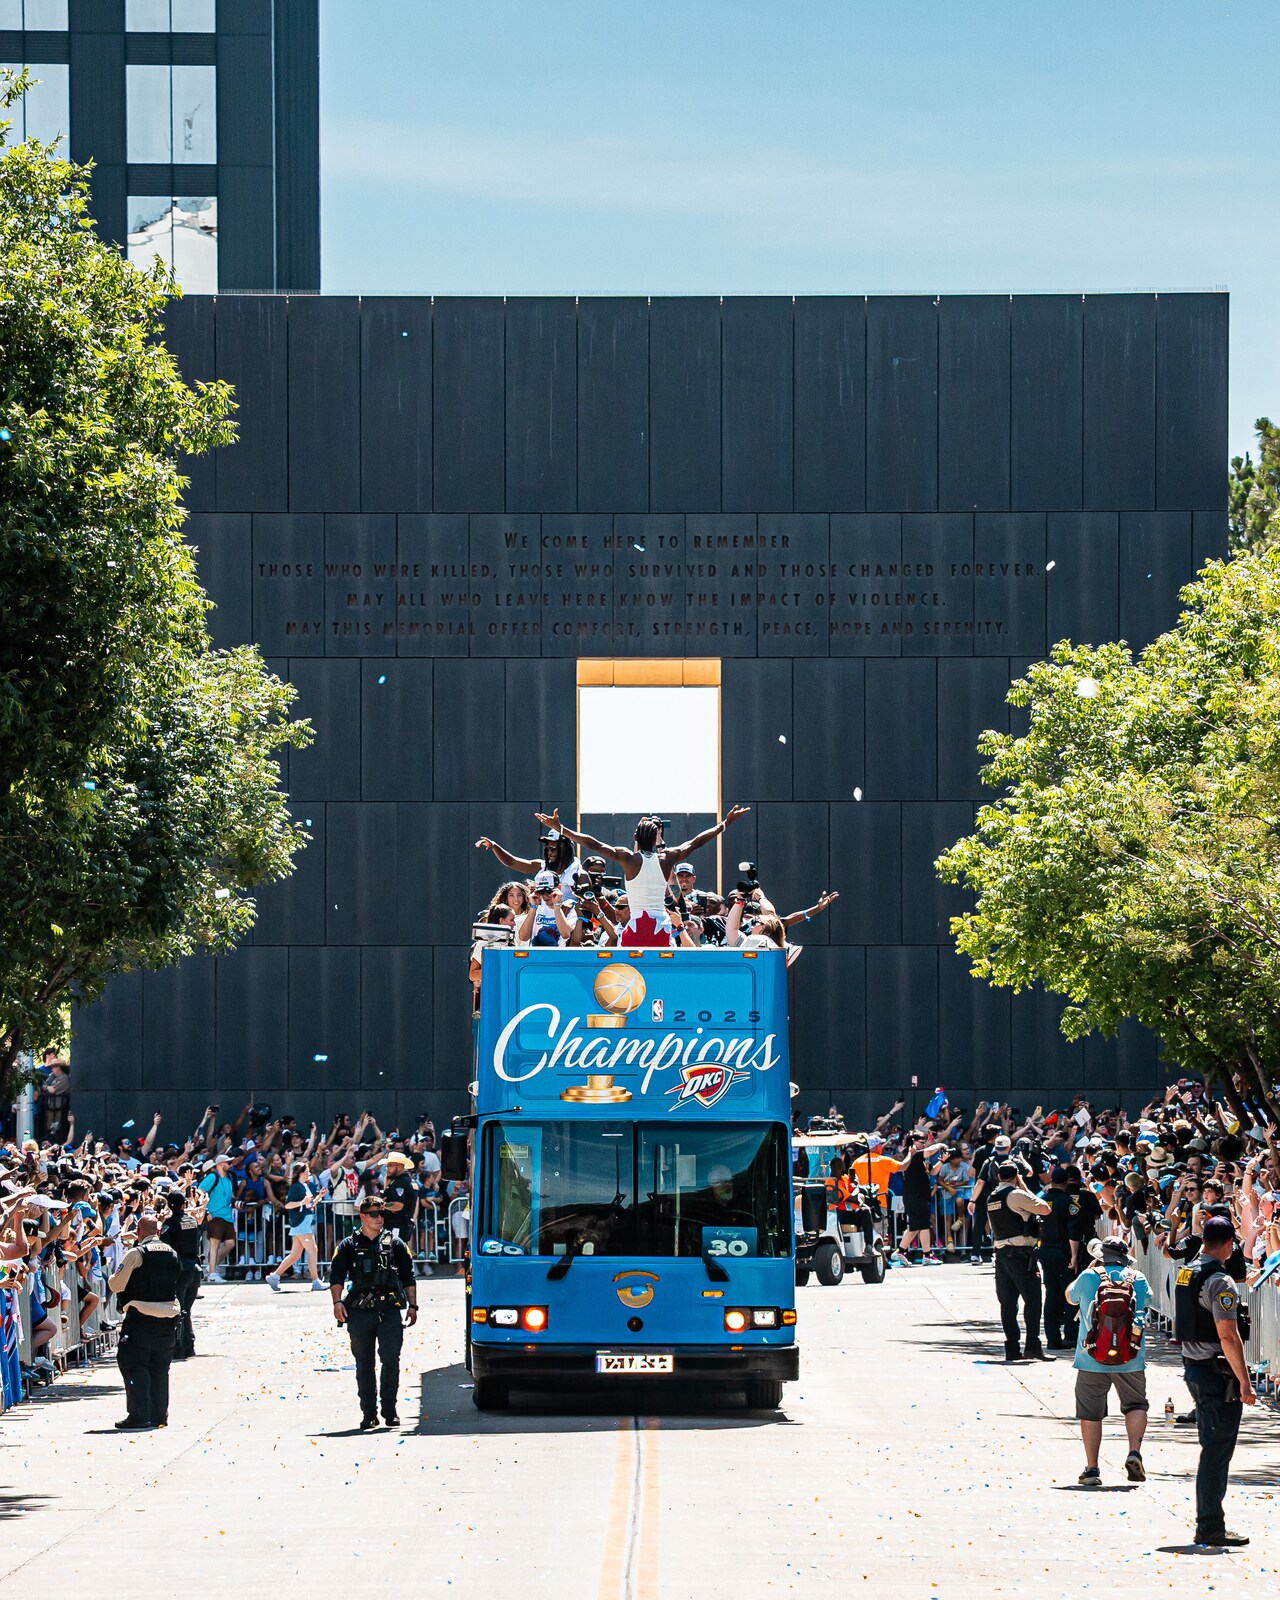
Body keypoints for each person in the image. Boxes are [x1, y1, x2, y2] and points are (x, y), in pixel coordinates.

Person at [533, 805, 749, 947]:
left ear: (635, 837)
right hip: (661, 928)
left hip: (634, 930)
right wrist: (725, 823)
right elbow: (696, 842)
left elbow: (592, 843)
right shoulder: (668, 858)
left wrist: (561, 828)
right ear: (657, 838)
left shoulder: (627, 858)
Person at [1174, 1214, 1257, 1547]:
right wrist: (1245, 1382)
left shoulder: (1187, 1270)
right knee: (1217, 1451)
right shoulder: (1219, 1280)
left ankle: (1210, 1521)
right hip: (1215, 1373)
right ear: (1228, 1245)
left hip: (1194, 1367)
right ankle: (1210, 1525)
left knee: (1212, 1447)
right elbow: (1228, 1335)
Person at [1065, 1236, 1151, 1487]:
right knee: (1136, 1405)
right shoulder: (1138, 1278)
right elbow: (1147, 1305)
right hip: (1131, 1357)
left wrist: (1091, 1270)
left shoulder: (1089, 1276)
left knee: (1091, 1413)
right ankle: (1134, 1452)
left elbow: (1069, 1296)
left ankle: (1092, 1469)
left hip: (1091, 1357)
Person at [329, 1195, 417, 1430]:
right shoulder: (348, 1245)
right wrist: (337, 1302)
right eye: (375, 1214)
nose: (380, 1219)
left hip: (388, 1311)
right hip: (359, 1313)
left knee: (391, 1360)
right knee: (364, 1364)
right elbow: (336, 1277)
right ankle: (369, 1413)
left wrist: (413, 1306)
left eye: (382, 1214)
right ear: (363, 1217)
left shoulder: (395, 1243)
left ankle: (390, 1409)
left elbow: (409, 1276)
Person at [108, 1210, 181, 1430]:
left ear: (138, 1232)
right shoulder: (171, 1252)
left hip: (141, 1317)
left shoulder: (136, 1253)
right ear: (158, 1231)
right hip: (168, 1319)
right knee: (159, 1367)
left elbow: (116, 1285)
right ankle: (159, 1415)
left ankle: (139, 1415)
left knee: (133, 1364)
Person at [987, 1160, 1053, 1362]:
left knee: (1008, 1304)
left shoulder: (992, 1197)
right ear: (1016, 1176)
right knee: (1033, 1300)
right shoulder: (1016, 1194)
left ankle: (1012, 1349)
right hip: (1021, 1254)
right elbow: (1044, 1209)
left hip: (1001, 1255)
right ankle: (1033, 1346)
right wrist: (1022, 1185)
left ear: (998, 1177)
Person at [160, 1189, 204, 1360]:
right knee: (187, 1309)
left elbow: (166, 1246)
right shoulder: (192, 1221)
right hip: (194, 1268)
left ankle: (178, 1347)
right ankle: (189, 1345)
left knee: (178, 1310)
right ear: (184, 1204)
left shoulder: (169, 1225)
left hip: (180, 1269)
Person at [267, 1161, 324, 1291]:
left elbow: (308, 1205)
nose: (309, 1173)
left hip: (303, 1222)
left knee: (295, 1254)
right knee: (312, 1249)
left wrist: (319, 1197)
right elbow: (288, 1205)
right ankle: (315, 1281)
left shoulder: (304, 1186)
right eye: (307, 1171)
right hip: (301, 1223)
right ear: (301, 1173)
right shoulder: (296, 1187)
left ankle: (275, 1276)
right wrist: (302, 1202)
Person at [1040, 1165, 1077, 1350]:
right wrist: (1075, 1255)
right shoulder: (1068, 1201)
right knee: (1070, 1293)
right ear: (1066, 1182)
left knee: (1051, 1294)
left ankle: (1052, 1338)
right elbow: (1073, 1230)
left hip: (1045, 1251)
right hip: (1063, 1251)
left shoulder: (1042, 1200)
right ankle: (1070, 1335)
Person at [197, 1152, 236, 1282]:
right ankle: (212, 1273)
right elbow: (199, 1192)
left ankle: (211, 1267)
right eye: (228, 1163)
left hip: (227, 1215)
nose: (230, 1165)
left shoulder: (229, 1177)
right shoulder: (213, 1177)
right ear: (220, 1164)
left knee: (230, 1243)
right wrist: (205, 1210)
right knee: (214, 1243)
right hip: (214, 1215)